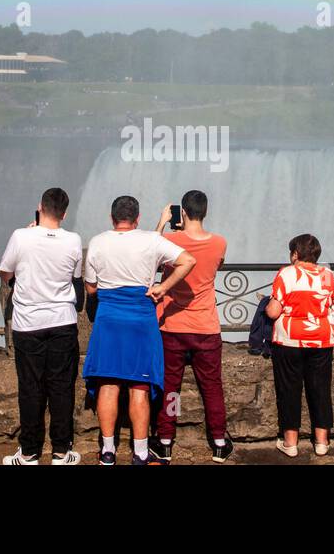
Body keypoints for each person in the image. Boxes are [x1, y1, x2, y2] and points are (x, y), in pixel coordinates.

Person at [82, 195, 196, 465]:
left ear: (112, 218)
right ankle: (141, 452)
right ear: (138, 219)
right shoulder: (150, 240)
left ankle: (108, 451)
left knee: (108, 385)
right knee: (139, 387)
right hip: (140, 320)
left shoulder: (98, 242)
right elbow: (188, 261)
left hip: (108, 319)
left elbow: (91, 288)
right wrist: (163, 288)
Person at [0, 188, 84, 466]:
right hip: (62, 322)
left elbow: (5, 272)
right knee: (61, 387)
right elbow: (76, 277)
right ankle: (61, 452)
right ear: (65, 213)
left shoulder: (20, 236)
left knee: (30, 387)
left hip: (28, 324)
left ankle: (29, 453)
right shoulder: (73, 240)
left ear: (39, 207)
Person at [151, 190, 231, 464]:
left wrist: (162, 223)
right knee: (211, 386)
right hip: (206, 327)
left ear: (182, 212)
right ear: (205, 212)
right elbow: (212, 268)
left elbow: (152, 254)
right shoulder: (220, 243)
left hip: (172, 326)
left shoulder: (170, 241)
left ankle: (164, 442)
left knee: (171, 386)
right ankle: (219, 442)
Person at [266, 233, 334, 458]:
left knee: (289, 389)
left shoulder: (286, 273)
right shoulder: (328, 275)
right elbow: (331, 303)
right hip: (322, 338)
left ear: (295, 253)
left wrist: (267, 308)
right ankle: (322, 442)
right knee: (320, 389)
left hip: (290, 339)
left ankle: (290, 443)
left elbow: (274, 311)